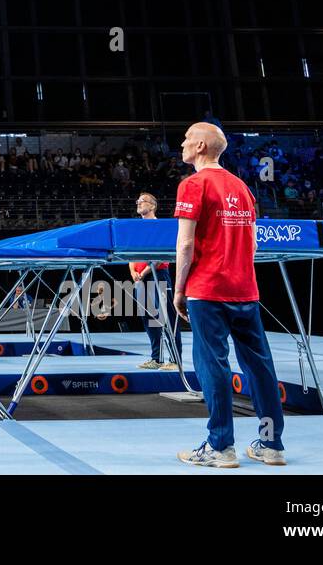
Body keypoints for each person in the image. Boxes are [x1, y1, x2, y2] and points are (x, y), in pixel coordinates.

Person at [173, 121, 286, 469]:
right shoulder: (242, 187)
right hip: (245, 290)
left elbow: (186, 243)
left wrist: (179, 289)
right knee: (260, 365)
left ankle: (220, 446)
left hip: (207, 291)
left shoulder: (192, 185)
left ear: (202, 147)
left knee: (213, 365)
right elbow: (251, 244)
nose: (183, 143)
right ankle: (272, 444)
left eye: (188, 139)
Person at [129, 192, 181, 371]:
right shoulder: (136, 229)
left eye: (142, 201)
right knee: (150, 319)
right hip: (140, 278)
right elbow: (130, 253)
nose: (139, 203)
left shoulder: (159, 226)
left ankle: (175, 360)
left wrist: (143, 272)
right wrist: (133, 272)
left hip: (157, 274)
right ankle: (156, 358)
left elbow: (160, 254)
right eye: (138, 201)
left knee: (166, 317)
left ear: (152, 206)